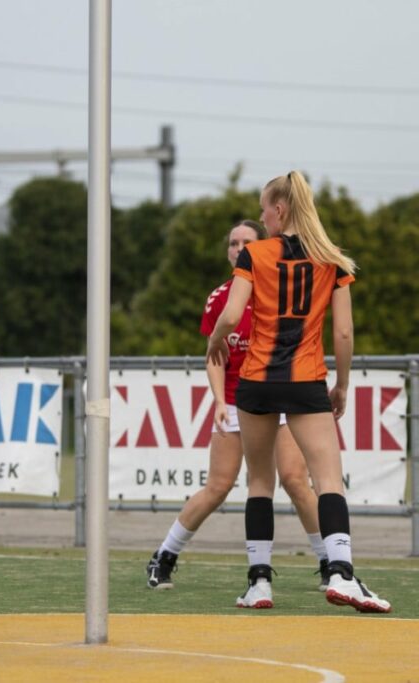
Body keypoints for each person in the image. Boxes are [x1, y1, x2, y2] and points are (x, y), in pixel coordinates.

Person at [206, 171, 390, 613]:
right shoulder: (333, 259)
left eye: (265, 207)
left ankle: (259, 583)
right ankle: (342, 574)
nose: (263, 215)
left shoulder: (253, 254)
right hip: (307, 380)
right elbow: (343, 333)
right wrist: (342, 384)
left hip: (257, 381)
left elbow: (231, 317)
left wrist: (215, 340)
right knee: (328, 480)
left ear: (280, 209)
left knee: (259, 482)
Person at [146, 220, 328, 599]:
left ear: (262, 248)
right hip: (236, 400)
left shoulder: (279, 294)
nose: (237, 248)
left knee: (294, 480)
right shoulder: (220, 299)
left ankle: (332, 564)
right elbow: (215, 356)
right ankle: (164, 555)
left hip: (279, 396)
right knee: (218, 485)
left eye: (246, 241)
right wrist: (217, 400)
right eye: (233, 242)